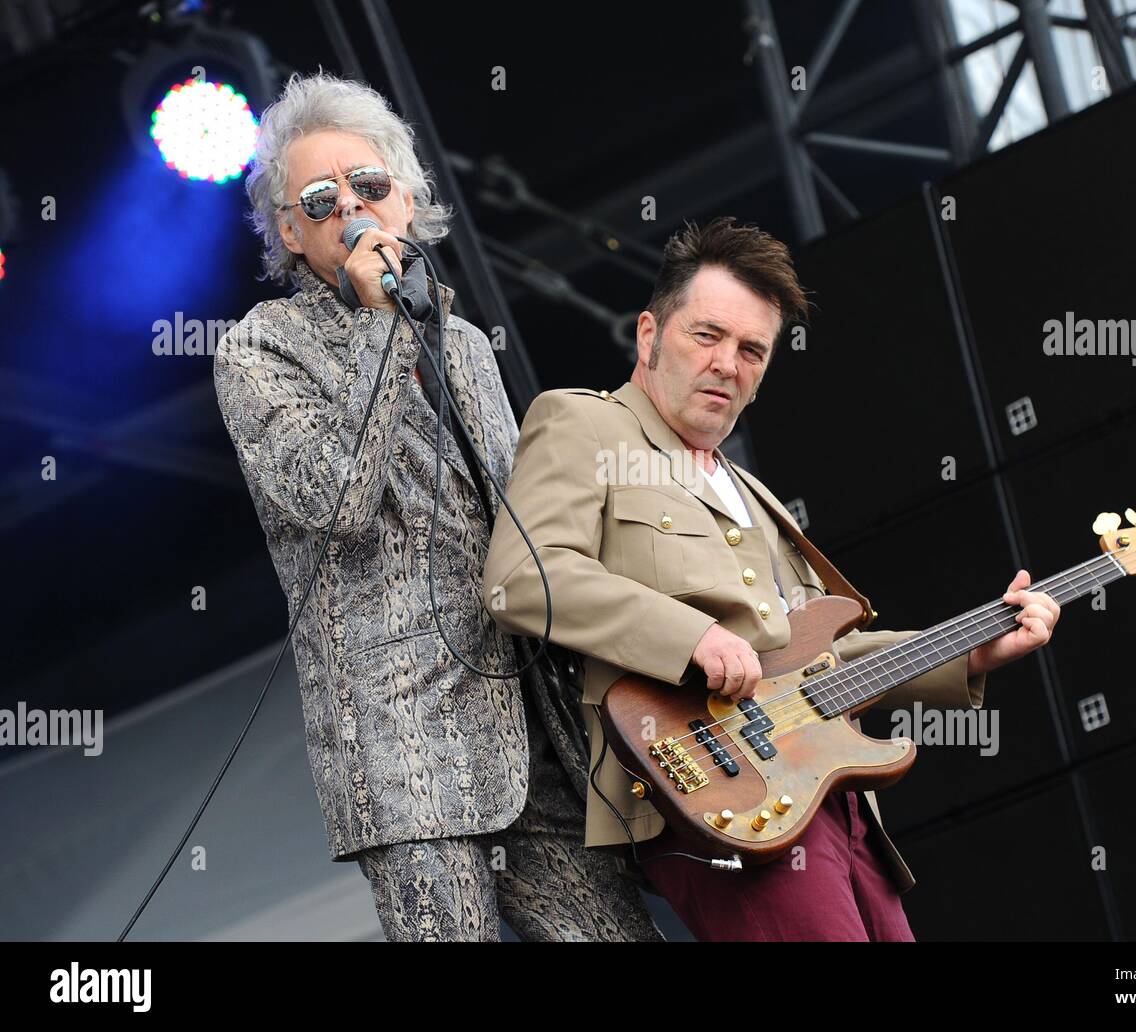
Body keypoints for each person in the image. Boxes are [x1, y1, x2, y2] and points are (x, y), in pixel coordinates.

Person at [481, 216, 1060, 941]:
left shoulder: (752, 492)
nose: (728, 363)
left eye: (752, 350)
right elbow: (522, 578)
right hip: (716, 790)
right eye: (707, 335)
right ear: (648, 335)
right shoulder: (584, 426)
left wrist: (973, 653)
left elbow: (815, 661)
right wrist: (690, 637)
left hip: (832, 795)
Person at [212, 71, 661, 941]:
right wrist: (382, 324)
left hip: (537, 742)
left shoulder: (460, 342)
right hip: (407, 756)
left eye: (369, 186)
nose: (352, 207)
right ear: (289, 233)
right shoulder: (258, 350)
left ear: (410, 200)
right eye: (320, 197)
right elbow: (335, 499)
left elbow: (519, 530)